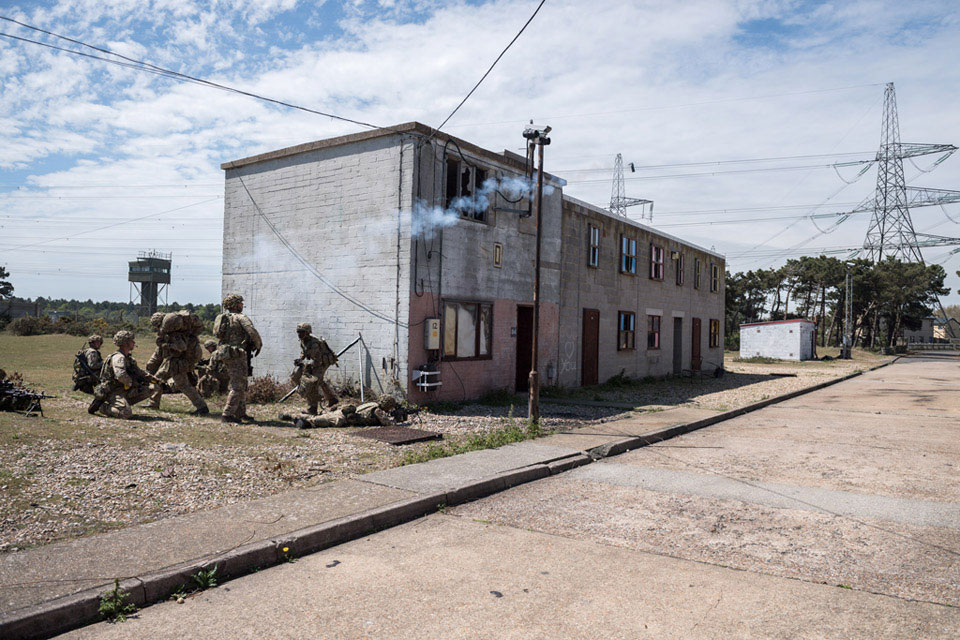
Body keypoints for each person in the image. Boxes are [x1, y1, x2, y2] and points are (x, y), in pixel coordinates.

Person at [145, 311, 209, 415]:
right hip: (174, 362)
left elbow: (181, 347)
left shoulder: (174, 334)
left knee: (181, 385)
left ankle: (202, 407)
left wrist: (168, 345)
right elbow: (158, 355)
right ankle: (153, 403)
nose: (157, 329)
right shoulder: (174, 333)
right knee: (158, 380)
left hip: (177, 363)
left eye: (157, 326)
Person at [88, 331, 159, 419]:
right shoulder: (118, 357)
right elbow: (121, 375)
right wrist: (133, 383)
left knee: (151, 389)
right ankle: (103, 407)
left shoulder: (128, 358)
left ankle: (122, 404)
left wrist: (153, 379)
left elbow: (139, 372)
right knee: (126, 414)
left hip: (124, 389)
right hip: (113, 391)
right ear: (126, 343)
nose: (134, 343)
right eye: (132, 341)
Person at [214, 293, 262, 423]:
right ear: (235, 305)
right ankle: (227, 414)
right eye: (240, 303)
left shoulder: (223, 318)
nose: (242, 305)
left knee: (241, 382)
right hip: (237, 354)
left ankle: (240, 412)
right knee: (238, 385)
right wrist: (259, 344)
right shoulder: (240, 317)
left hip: (226, 353)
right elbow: (251, 331)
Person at [291, 322, 338, 415]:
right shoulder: (304, 340)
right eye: (298, 332)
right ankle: (332, 398)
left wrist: (304, 363)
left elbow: (317, 361)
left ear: (307, 332)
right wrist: (300, 359)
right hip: (312, 363)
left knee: (312, 383)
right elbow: (304, 352)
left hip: (322, 363)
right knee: (298, 377)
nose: (299, 334)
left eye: (302, 332)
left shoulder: (314, 344)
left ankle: (313, 408)